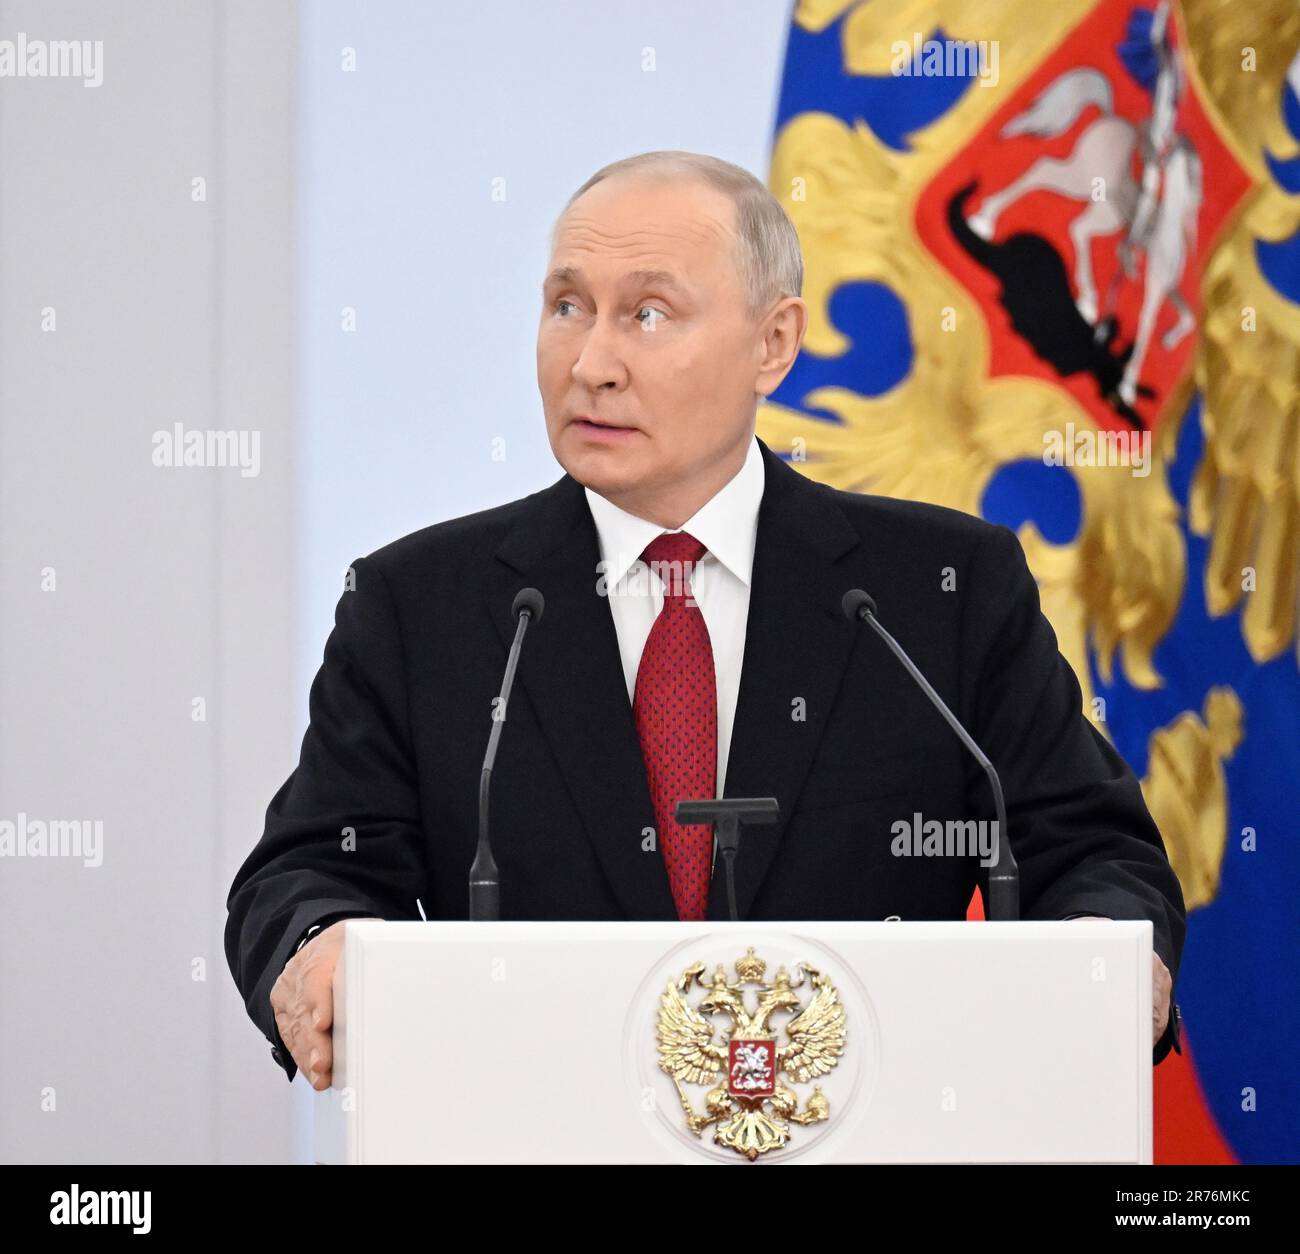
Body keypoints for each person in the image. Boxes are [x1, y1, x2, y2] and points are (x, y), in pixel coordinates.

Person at [225, 150, 1184, 1091]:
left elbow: (1090, 851)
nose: (591, 364)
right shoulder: (421, 606)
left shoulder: (941, 591)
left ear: (774, 343)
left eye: (648, 314)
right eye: (567, 307)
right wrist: (318, 943)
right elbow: (310, 868)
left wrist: (1101, 959)